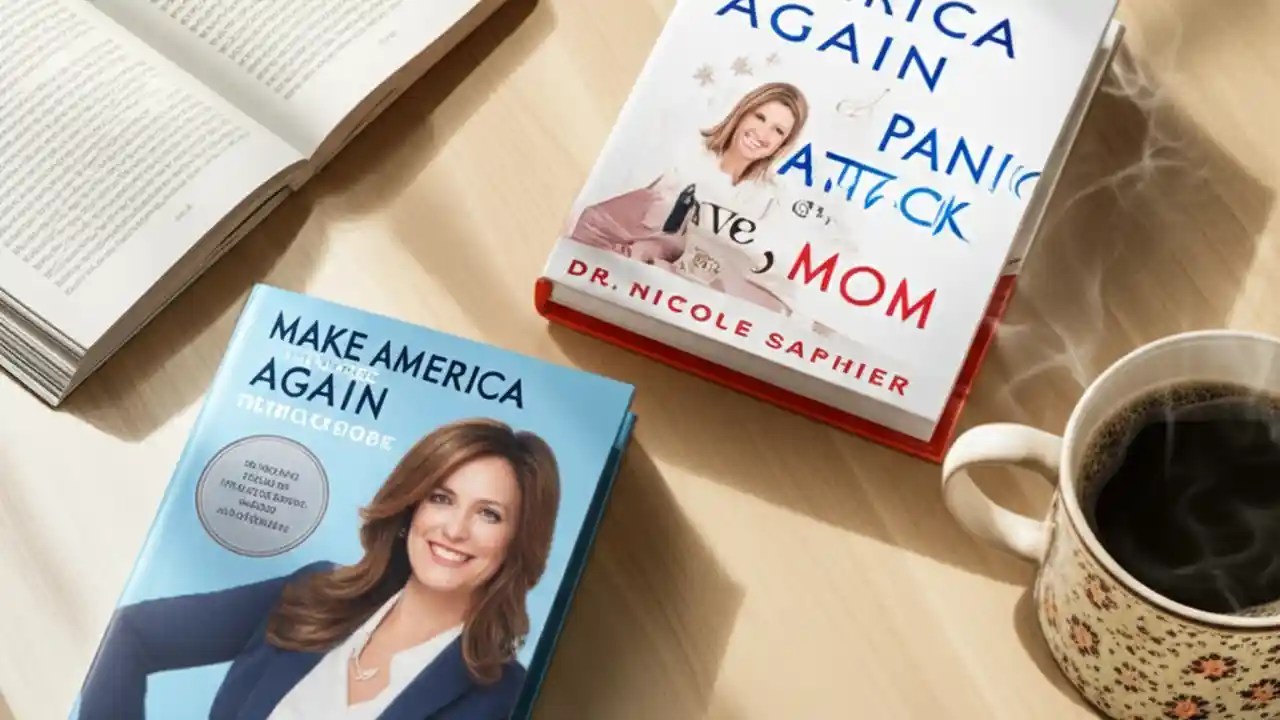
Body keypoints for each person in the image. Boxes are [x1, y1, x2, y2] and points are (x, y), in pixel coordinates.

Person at [77, 418, 561, 720]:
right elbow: (133, 632)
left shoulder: (499, 698)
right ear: (411, 507)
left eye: (488, 514)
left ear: (518, 542)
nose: (454, 530)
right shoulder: (314, 594)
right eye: (441, 498)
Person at [568, 81, 811, 315]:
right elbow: (594, 225)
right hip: (626, 286)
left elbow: (772, 291)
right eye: (760, 117)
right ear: (742, 113)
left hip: (696, 309)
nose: (763, 133)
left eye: (778, 131)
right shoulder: (681, 158)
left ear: (783, 144)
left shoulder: (768, 202)